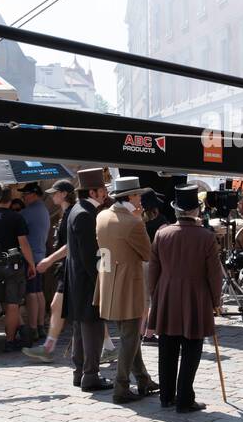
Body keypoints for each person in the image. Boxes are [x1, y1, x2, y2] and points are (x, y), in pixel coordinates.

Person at [147, 185, 222, 414]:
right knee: (191, 348)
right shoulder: (206, 237)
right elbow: (214, 274)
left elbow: (153, 270)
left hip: (167, 294)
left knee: (167, 347)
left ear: (177, 210)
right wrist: (216, 300)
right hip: (195, 296)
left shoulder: (162, 233)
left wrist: (155, 296)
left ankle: (167, 396)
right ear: (196, 211)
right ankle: (184, 398)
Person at [95, 177, 159, 404]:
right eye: (137, 195)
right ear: (129, 197)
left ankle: (143, 379)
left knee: (129, 336)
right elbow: (147, 254)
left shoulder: (102, 216)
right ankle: (121, 387)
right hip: (128, 285)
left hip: (108, 281)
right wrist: (138, 219)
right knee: (131, 338)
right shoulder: (133, 223)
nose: (140, 198)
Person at [65, 168, 113, 391]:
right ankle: (90, 375)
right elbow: (89, 255)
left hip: (79, 281)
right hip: (88, 282)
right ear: (92, 192)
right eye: (102, 190)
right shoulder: (85, 214)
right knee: (92, 329)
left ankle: (79, 373)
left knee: (81, 329)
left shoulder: (79, 209)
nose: (105, 194)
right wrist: (102, 281)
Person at [24, 180, 77, 364]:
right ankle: (48, 347)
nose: (52, 196)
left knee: (80, 312)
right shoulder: (67, 213)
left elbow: (70, 245)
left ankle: (48, 348)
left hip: (72, 269)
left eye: (55, 193)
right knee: (60, 307)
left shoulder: (72, 213)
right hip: (68, 269)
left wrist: (49, 260)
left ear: (63, 194)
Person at [0, 194, 37, 350]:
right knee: (13, 304)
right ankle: (10, 341)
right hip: (13, 264)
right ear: (10, 201)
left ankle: (19, 329)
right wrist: (31, 264)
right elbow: (23, 244)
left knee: (4, 301)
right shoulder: (16, 217)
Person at [17, 183, 51, 342]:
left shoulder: (28, 212)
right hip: (40, 254)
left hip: (30, 256)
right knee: (38, 292)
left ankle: (33, 328)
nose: (23, 197)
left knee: (31, 293)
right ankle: (40, 326)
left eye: (26, 194)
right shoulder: (43, 209)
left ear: (35, 194)